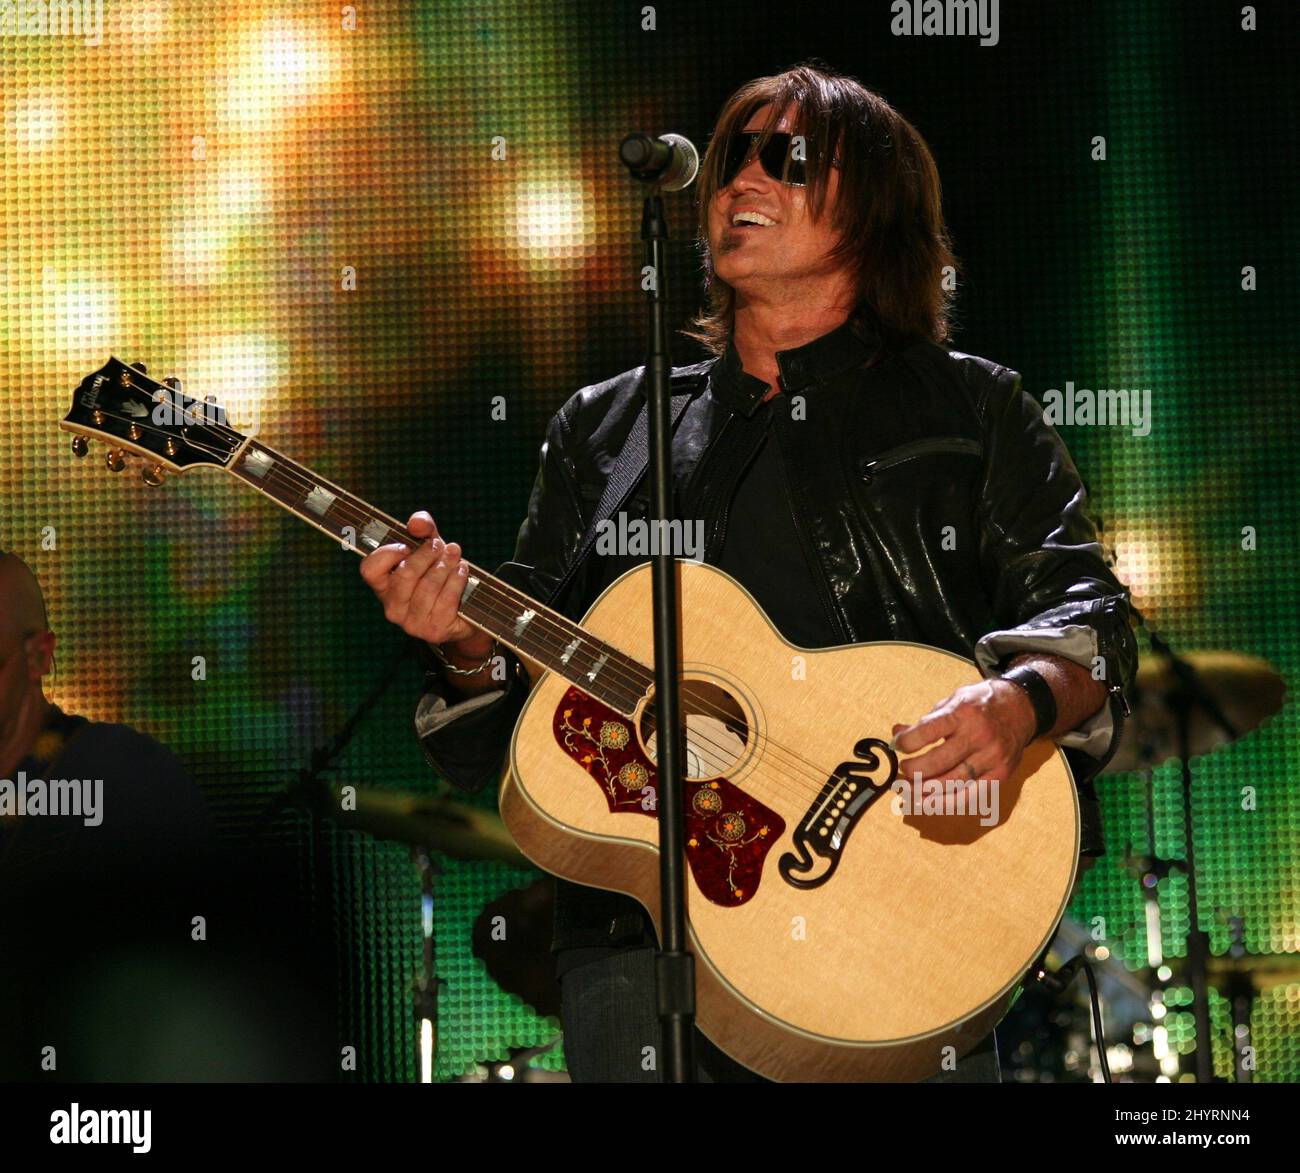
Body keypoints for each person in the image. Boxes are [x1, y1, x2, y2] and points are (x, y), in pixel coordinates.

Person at [360, 63, 1137, 1083]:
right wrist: (463, 648)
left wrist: (1020, 701)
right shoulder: (605, 428)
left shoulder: (971, 411)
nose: (737, 186)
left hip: (904, 925)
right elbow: (517, 735)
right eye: (730, 162)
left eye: (788, 160)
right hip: (637, 951)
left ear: (875, 209)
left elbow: (1090, 614)